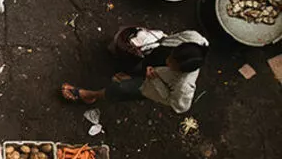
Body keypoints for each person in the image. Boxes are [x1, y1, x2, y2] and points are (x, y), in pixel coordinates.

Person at [60, 30, 208, 113]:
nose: (168, 62)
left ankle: (90, 96)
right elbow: (167, 39)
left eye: (173, 65)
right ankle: (130, 75)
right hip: (152, 62)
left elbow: (179, 106)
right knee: (135, 65)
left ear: (181, 71)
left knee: (121, 88)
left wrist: (154, 79)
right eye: (171, 57)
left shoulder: (183, 86)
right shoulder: (193, 38)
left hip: (153, 84)